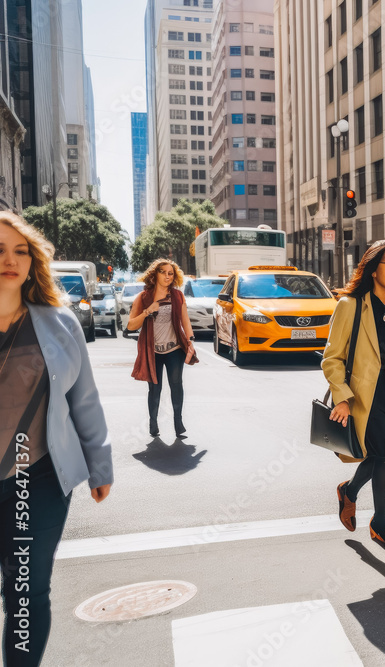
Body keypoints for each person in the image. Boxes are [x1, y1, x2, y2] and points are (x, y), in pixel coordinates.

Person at [0, 212, 113, 666]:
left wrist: (99, 466)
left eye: (20, 251)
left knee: (26, 594)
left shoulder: (59, 323)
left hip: (37, 480)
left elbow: (84, 399)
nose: (10, 260)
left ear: (33, 262)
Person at [326, 241, 385, 551]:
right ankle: (379, 524)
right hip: (366, 397)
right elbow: (332, 358)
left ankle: (349, 491)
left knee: (380, 455)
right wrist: (342, 397)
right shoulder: (351, 305)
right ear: (374, 270)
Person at [128, 259, 196, 438]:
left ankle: (178, 422)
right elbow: (131, 325)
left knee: (176, 385)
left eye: (170, 273)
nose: (167, 276)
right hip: (153, 351)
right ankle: (153, 423)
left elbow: (185, 320)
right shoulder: (143, 298)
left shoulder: (177, 296)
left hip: (175, 349)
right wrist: (148, 310)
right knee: (155, 388)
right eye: (163, 272)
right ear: (154, 275)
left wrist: (190, 340)